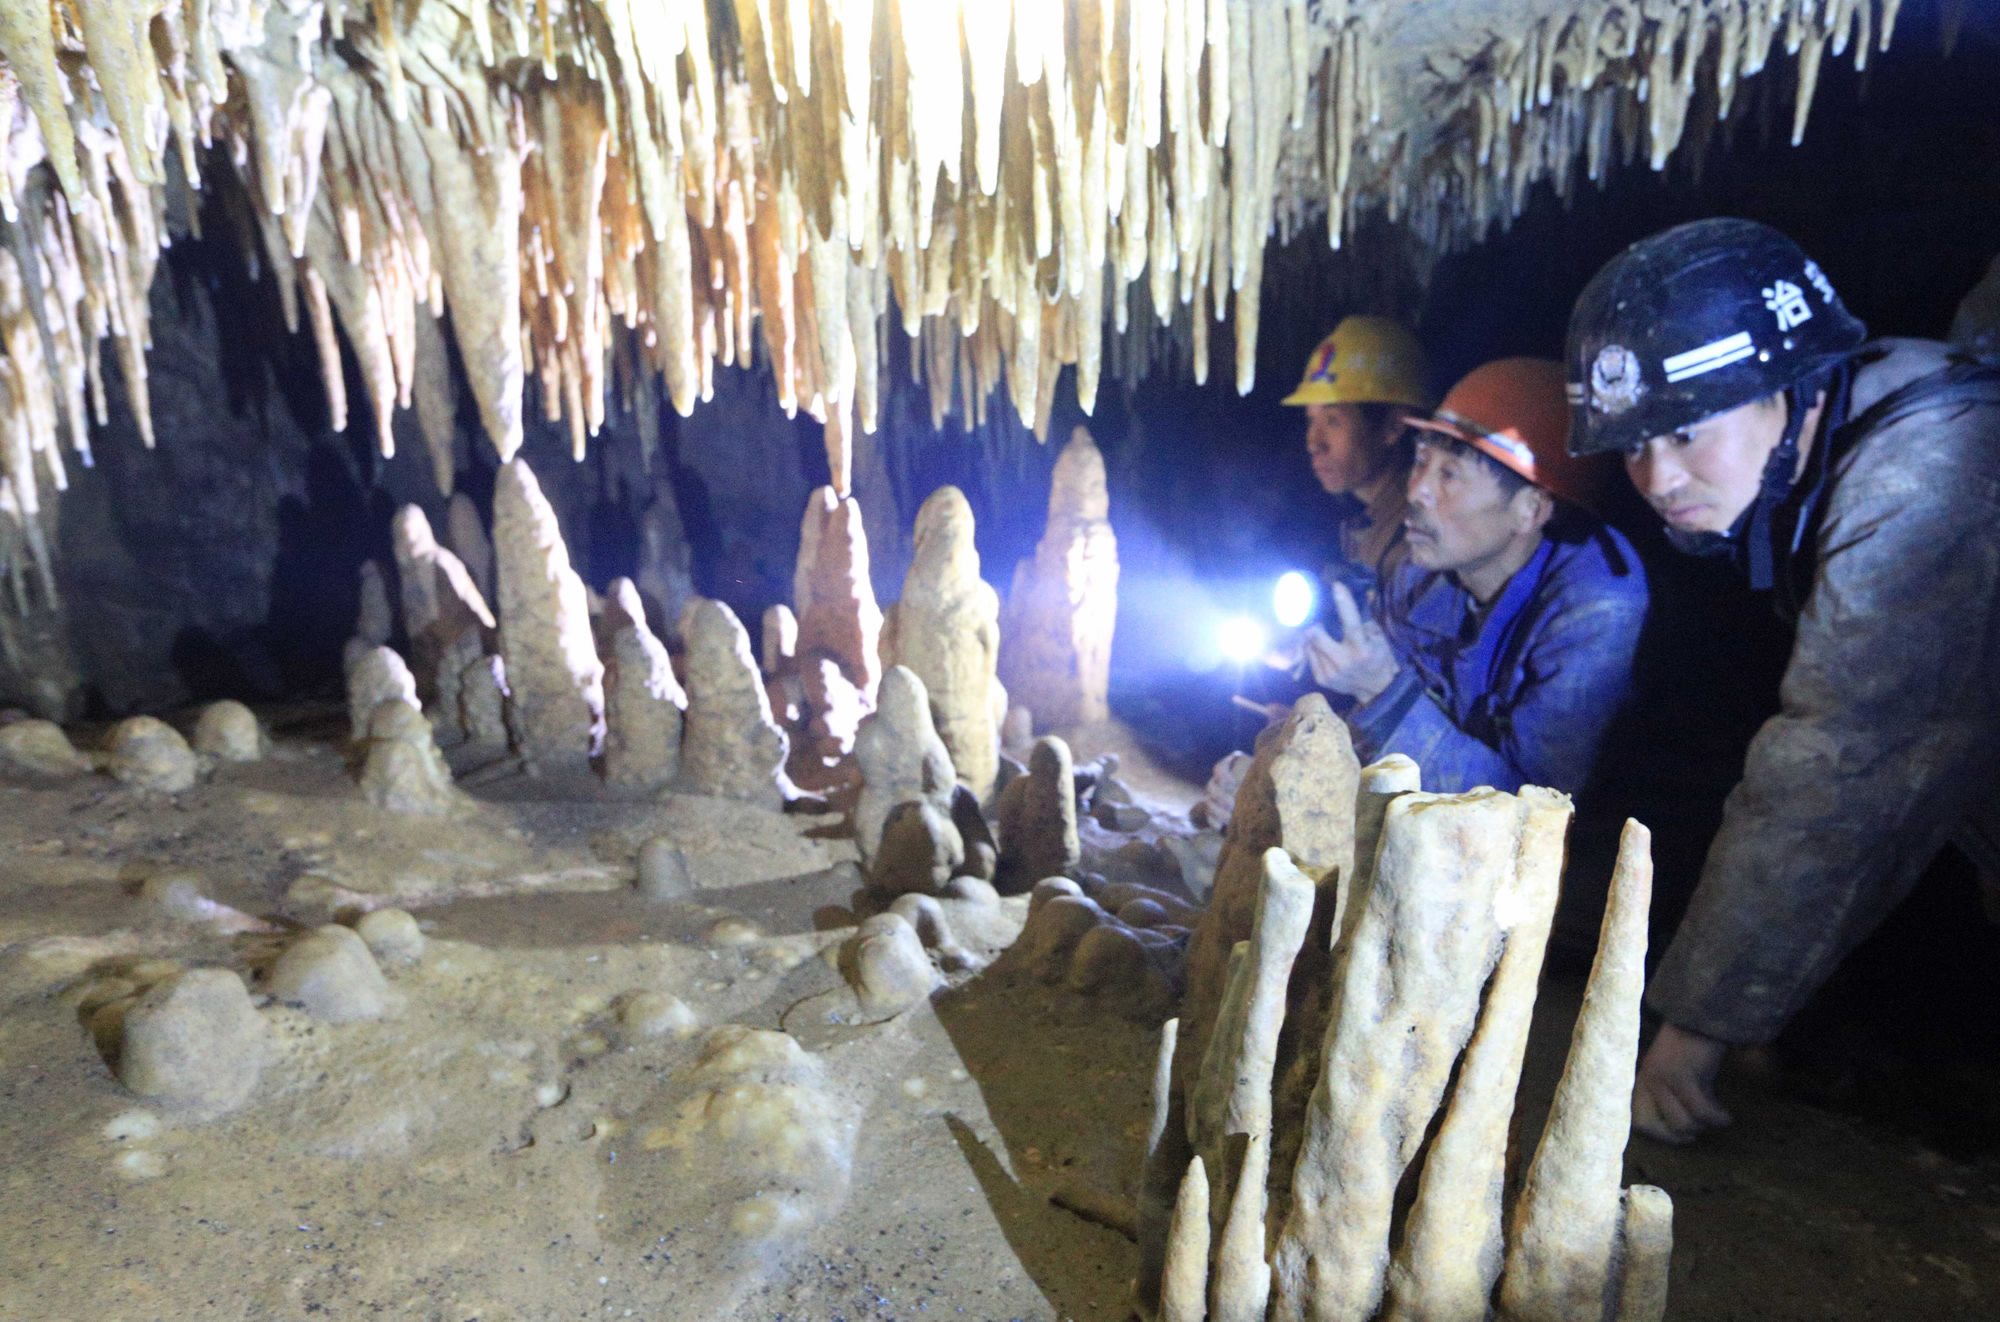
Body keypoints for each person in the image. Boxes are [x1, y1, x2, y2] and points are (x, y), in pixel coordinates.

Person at [1564, 217, 2000, 1145]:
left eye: (1686, 431)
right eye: (1635, 446)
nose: (1659, 477)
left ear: (1790, 389)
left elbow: (1841, 768)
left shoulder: (1926, 472)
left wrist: (1696, 1028)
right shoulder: (1860, 428)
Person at [1300, 358, 1648, 797]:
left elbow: (1531, 807)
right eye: (1421, 461)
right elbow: (1370, 737)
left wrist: (1383, 691)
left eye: (1449, 475)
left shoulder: (1597, 606)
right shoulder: (1423, 574)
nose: (1417, 490)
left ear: (1530, 510)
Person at [1280, 315, 1435, 585]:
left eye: (1333, 421)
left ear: (1393, 427)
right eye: (1311, 420)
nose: (1314, 443)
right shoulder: (1366, 524)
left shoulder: (1420, 540)